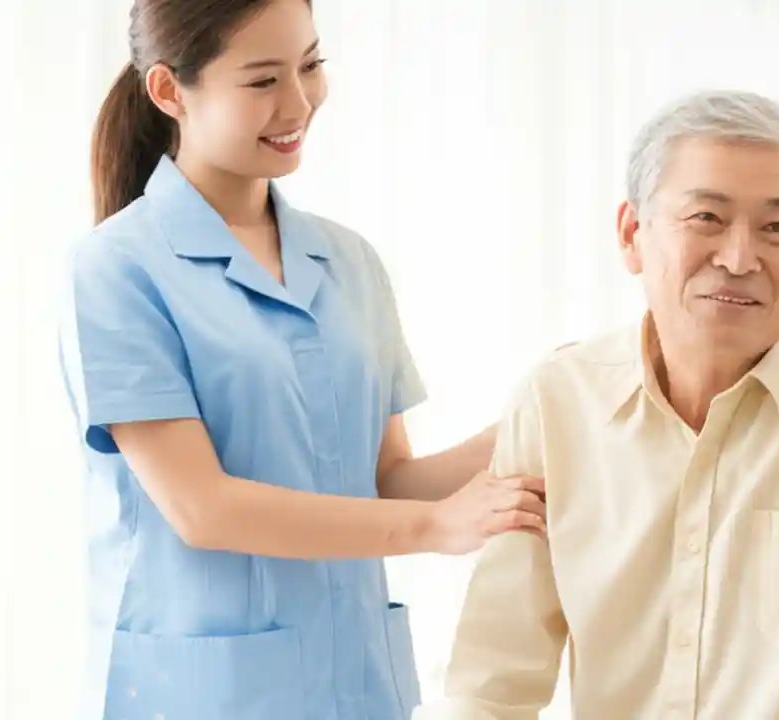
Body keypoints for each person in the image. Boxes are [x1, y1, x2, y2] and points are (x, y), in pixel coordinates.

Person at [416, 90, 779, 719]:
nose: (740, 258)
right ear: (633, 235)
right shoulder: (557, 402)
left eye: (778, 228)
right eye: (707, 218)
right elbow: (490, 678)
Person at [57, 1, 546, 718]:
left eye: (311, 65)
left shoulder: (348, 262)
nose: (299, 102)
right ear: (169, 92)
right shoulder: (117, 268)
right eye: (261, 81)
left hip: (357, 685)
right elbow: (202, 508)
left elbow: (384, 479)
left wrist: (540, 415)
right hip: (207, 694)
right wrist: (439, 527)